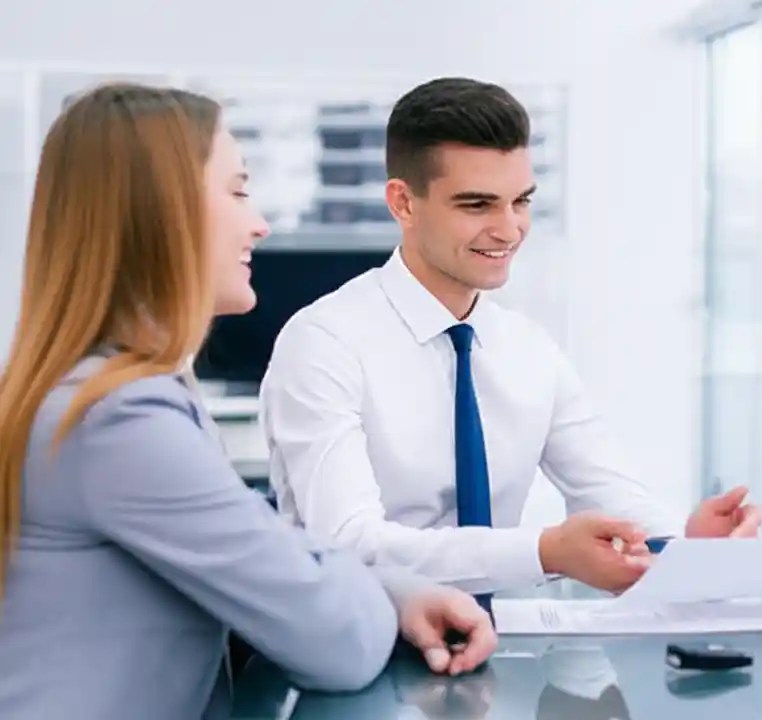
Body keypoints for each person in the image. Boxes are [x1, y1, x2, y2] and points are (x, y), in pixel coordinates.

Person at [0, 83, 496, 720]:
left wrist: (391, 590)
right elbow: (335, 641)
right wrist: (361, 590)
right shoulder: (118, 420)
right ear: (161, 213)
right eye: (236, 190)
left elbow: (270, 557)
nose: (259, 223)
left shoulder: (96, 393)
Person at [259, 77, 761, 595]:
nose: (509, 229)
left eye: (520, 201)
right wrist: (543, 552)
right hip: (360, 649)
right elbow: (350, 545)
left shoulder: (529, 349)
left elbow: (611, 495)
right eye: (477, 205)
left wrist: (682, 550)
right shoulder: (323, 343)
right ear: (404, 204)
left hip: (497, 655)